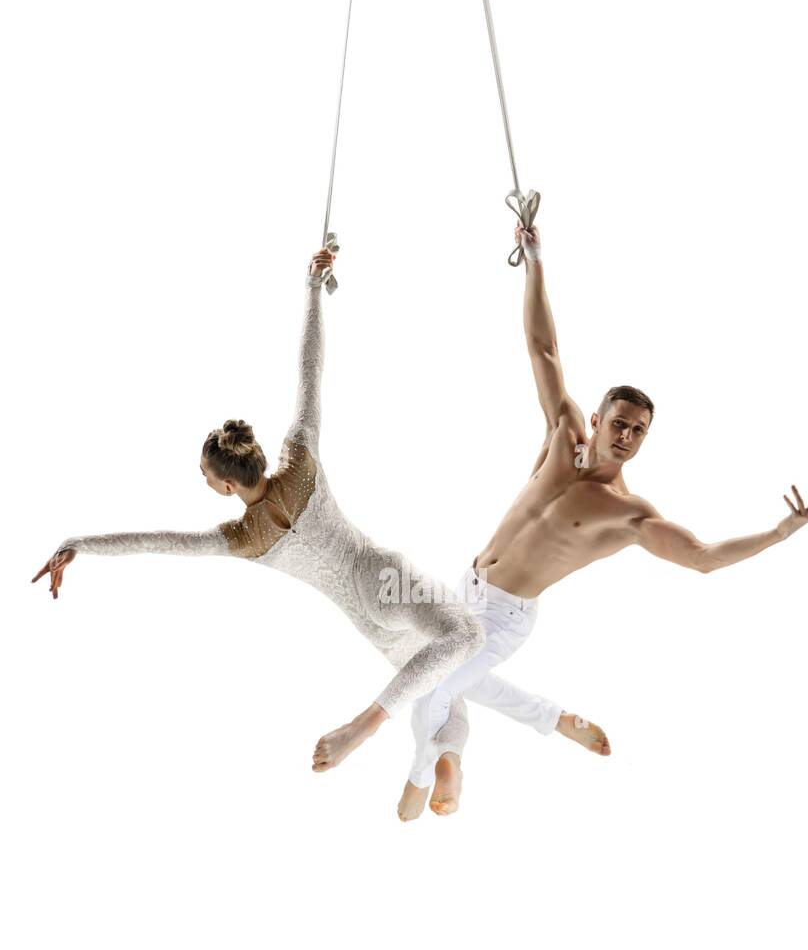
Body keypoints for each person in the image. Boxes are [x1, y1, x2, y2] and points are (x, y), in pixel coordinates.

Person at [397, 221, 808, 820]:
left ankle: (429, 776)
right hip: (466, 584)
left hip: (504, 617)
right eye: (620, 423)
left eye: (639, 431)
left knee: (433, 684)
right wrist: (536, 265)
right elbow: (542, 348)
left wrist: (778, 534)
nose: (627, 437)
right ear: (598, 418)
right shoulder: (561, 433)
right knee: (437, 678)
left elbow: (703, 557)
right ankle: (546, 723)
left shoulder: (628, 514)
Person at [33, 249, 484, 772]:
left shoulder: (240, 538)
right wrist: (313, 288)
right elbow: (310, 369)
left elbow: (156, 541)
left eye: (204, 475)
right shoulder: (299, 457)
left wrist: (79, 545)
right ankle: (390, 734)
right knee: (461, 642)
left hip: (366, 620)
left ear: (226, 485)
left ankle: (428, 758)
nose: (205, 481)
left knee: (445, 678)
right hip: (383, 577)